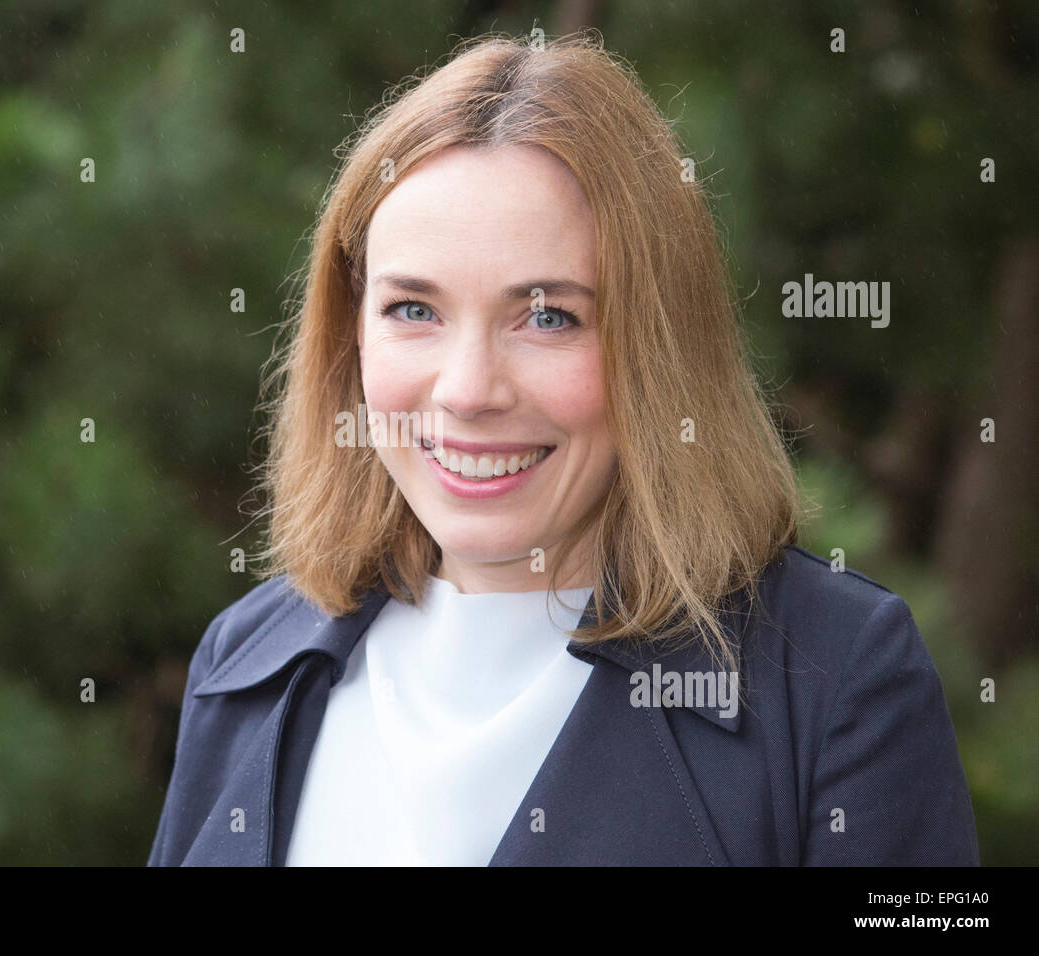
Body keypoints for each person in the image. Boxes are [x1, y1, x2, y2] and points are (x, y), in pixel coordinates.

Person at [147, 30, 979, 866]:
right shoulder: (245, 662)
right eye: (413, 310)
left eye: (548, 317)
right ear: (349, 335)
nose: (469, 390)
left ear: (659, 350)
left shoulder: (838, 680)